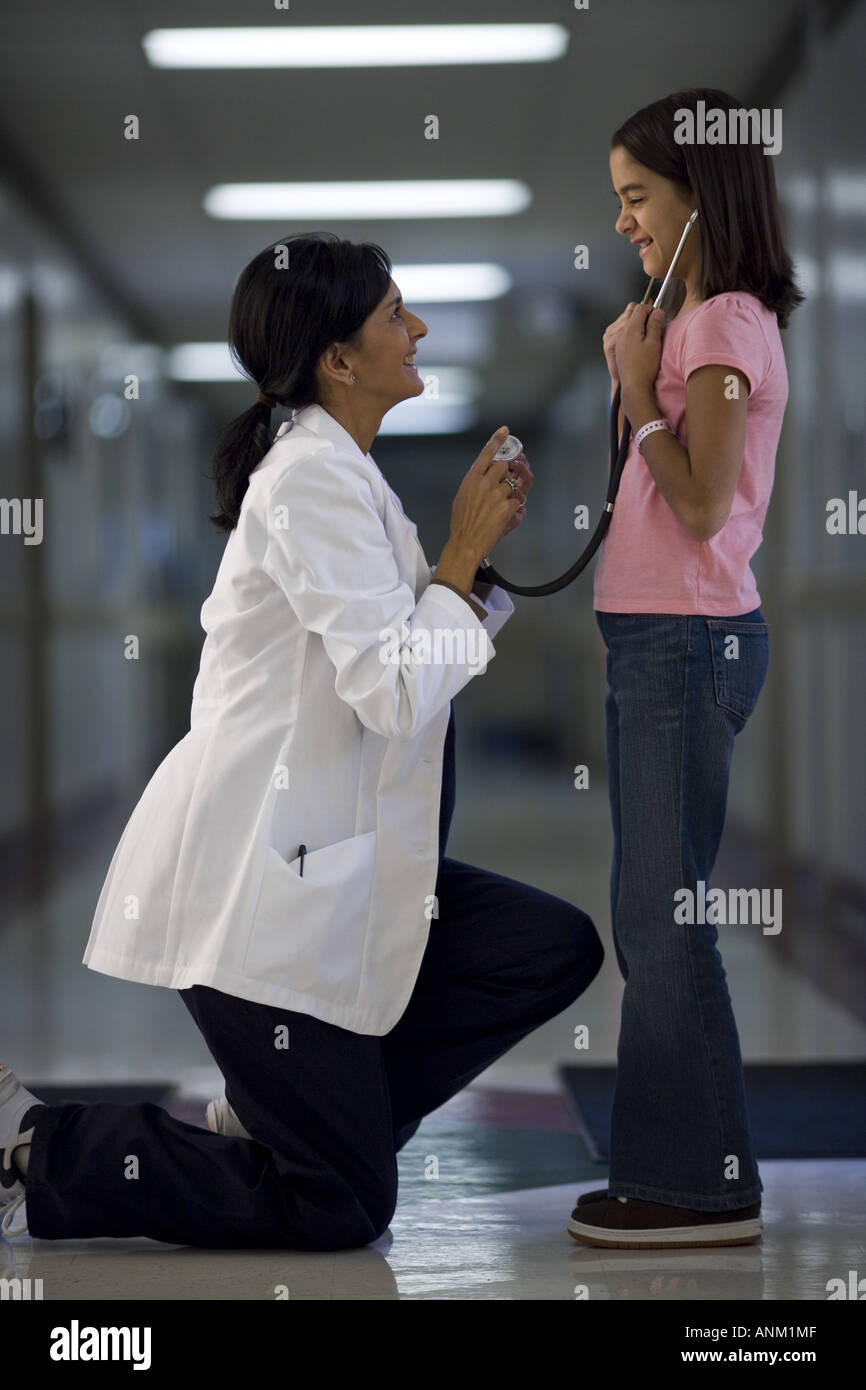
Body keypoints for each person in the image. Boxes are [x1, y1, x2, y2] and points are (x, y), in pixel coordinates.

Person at [1, 233, 603, 1249]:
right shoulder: (309, 482)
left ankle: (304, 1113)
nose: (415, 331)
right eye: (393, 317)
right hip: (257, 897)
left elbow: (402, 640)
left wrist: (468, 572)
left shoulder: (346, 478)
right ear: (336, 358)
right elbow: (391, 687)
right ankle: (34, 1142)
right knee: (338, 1207)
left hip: (336, 878)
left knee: (544, 950)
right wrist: (458, 554)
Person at [567, 89, 803, 1249]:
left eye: (635, 199)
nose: (622, 225)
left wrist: (631, 393)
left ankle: (699, 1183)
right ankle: (671, 1170)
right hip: (660, 642)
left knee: (664, 919)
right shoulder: (704, 324)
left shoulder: (720, 327)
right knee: (652, 915)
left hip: (684, 640)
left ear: (697, 195)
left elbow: (703, 504)